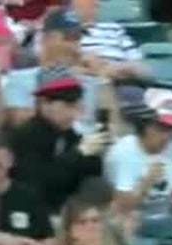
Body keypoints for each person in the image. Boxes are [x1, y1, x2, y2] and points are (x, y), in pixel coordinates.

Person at [8, 66, 107, 212]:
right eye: (68, 106)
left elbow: (89, 178)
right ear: (44, 103)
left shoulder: (70, 136)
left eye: (76, 107)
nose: (74, 114)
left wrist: (94, 154)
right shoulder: (24, 136)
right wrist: (77, 154)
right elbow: (38, 182)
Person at [105, 88, 172, 225]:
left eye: (171, 129)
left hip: (169, 221)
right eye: (160, 128)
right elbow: (122, 207)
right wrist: (146, 182)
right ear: (143, 125)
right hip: (128, 224)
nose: (166, 136)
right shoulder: (123, 152)